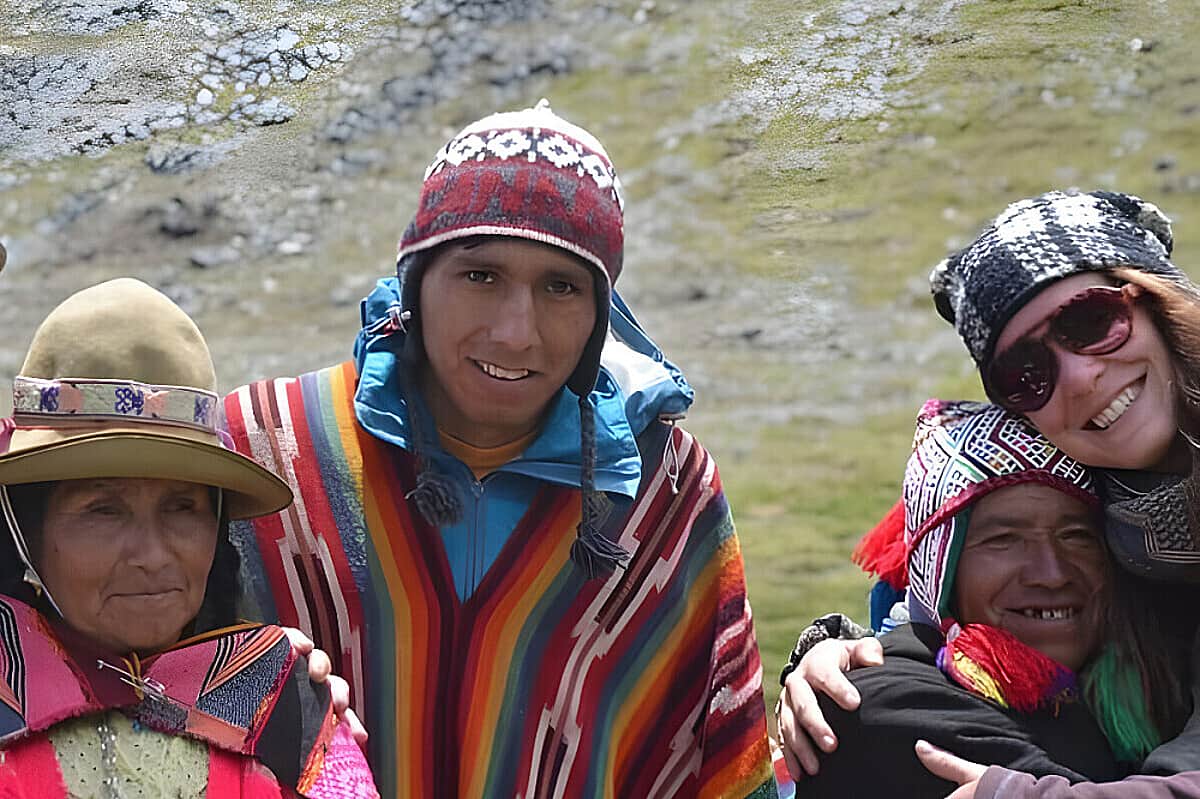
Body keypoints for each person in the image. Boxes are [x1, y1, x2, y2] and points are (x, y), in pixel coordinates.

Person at [224, 100, 777, 798]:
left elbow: (714, 756)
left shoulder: (664, 497)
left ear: (601, 314)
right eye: (480, 275)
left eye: (561, 286)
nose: (517, 333)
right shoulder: (266, 450)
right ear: (416, 282)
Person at [779, 190, 1200, 797]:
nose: (1079, 379)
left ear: (1160, 302)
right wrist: (844, 660)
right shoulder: (1123, 518)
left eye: (1091, 322)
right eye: (1025, 373)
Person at [0, 278, 378, 797]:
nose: (152, 555)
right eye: (103, 511)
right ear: (25, 529)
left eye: (182, 508)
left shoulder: (280, 705)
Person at [793, 399, 1146, 797]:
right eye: (1004, 540)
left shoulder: (1143, 683)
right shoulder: (893, 705)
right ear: (937, 569)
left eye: (1077, 536)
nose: (1052, 573)